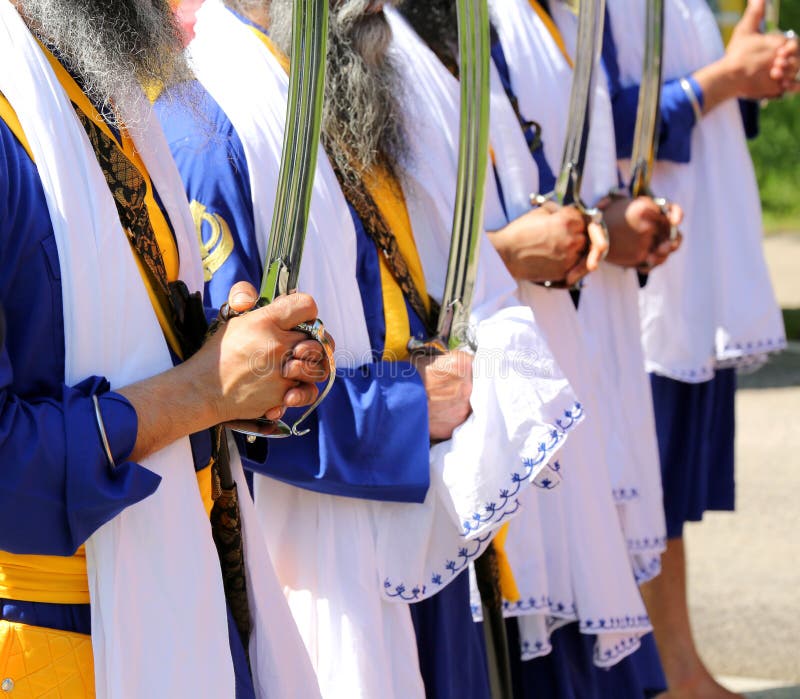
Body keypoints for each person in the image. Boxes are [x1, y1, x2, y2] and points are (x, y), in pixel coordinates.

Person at [160, 0, 587, 696]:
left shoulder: (338, 85)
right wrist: (405, 409)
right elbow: (223, 401)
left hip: (423, 520)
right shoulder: (208, 129)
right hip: (317, 569)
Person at [0, 0, 327, 695]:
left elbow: (152, 341)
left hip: (195, 588)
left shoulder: (97, 84)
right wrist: (202, 390)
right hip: (61, 643)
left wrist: (247, 360)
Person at [395, 0, 684, 695]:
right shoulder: (379, 37)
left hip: (544, 372)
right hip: (451, 423)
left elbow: (522, 179)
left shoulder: (476, 21)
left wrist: (597, 225)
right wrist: (507, 254)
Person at [604, 0, 796, 695]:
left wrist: (746, 74)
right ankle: (656, 674)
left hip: (696, 270)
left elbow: (693, 93)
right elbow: (596, 125)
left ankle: (677, 667)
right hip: (640, 282)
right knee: (630, 493)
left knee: (665, 497)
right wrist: (721, 78)